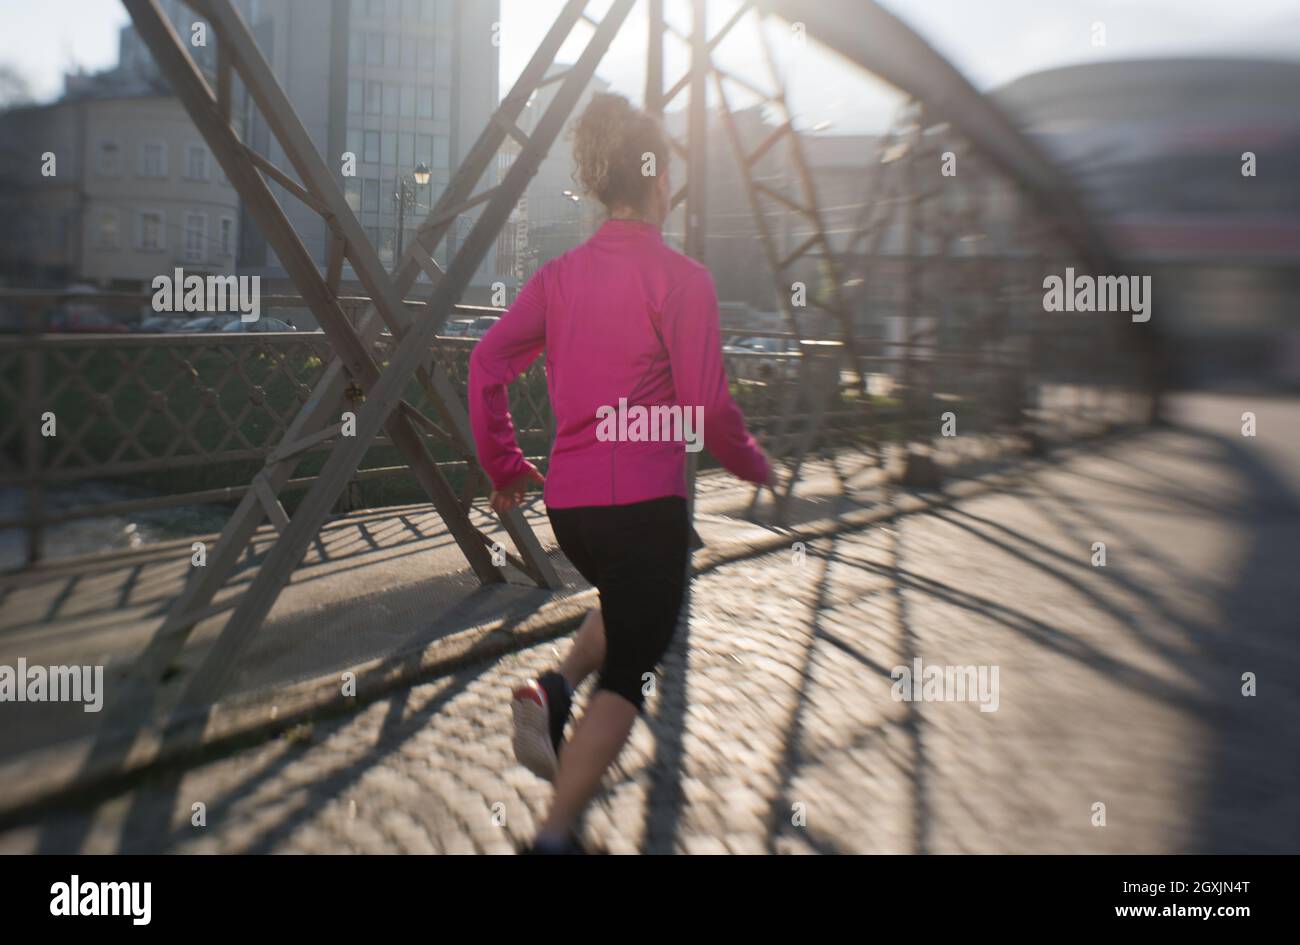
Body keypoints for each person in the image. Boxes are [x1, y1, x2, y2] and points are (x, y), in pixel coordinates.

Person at [468, 92, 772, 854]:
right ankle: (557, 831)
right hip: (647, 503)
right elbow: (705, 405)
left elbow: (484, 364)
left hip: (574, 510)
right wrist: (753, 463)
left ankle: (553, 689)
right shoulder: (684, 279)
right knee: (634, 665)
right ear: (659, 179)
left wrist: (504, 463)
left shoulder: (558, 277)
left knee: (629, 602)